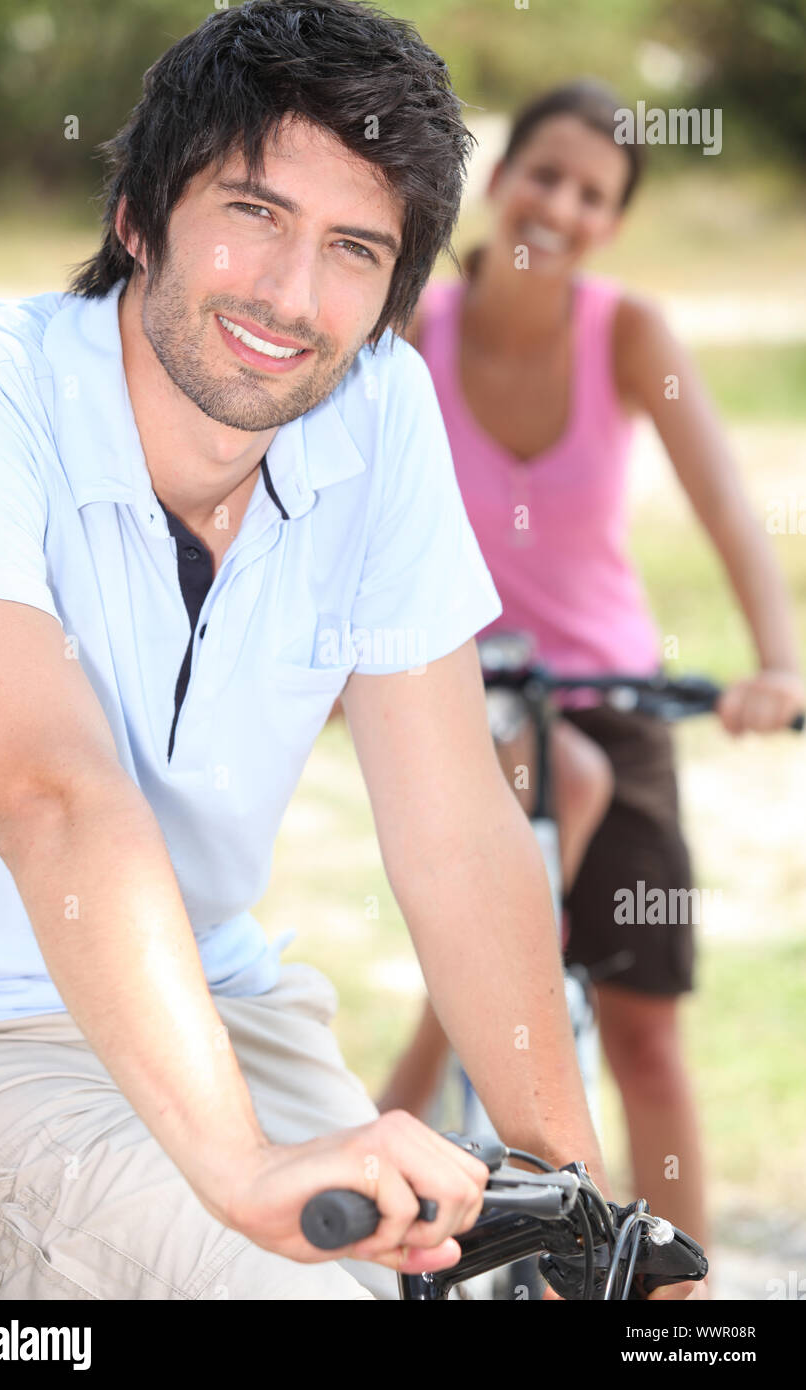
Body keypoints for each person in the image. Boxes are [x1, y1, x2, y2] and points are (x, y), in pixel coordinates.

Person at [0, 6, 700, 1303]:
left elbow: (457, 821)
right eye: (253, 212)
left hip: (224, 994)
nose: (292, 298)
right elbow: (50, 794)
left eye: (354, 248)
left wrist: (580, 1210)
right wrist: (236, 1170)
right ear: (136, 215)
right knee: (279, 1287)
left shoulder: (378, 404)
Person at [376, 80, 804, 1273]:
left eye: (591, 193)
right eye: (542, 175)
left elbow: (725, 501)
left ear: (610, 220)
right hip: (467, 706)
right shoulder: (418, 332)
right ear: (500, 180)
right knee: (524, 840)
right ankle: (433, 1141)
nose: (557, 205)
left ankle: (677, 1303)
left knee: (644, 1041)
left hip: (612, 701)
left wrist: (774, 664)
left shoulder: (626, 335)